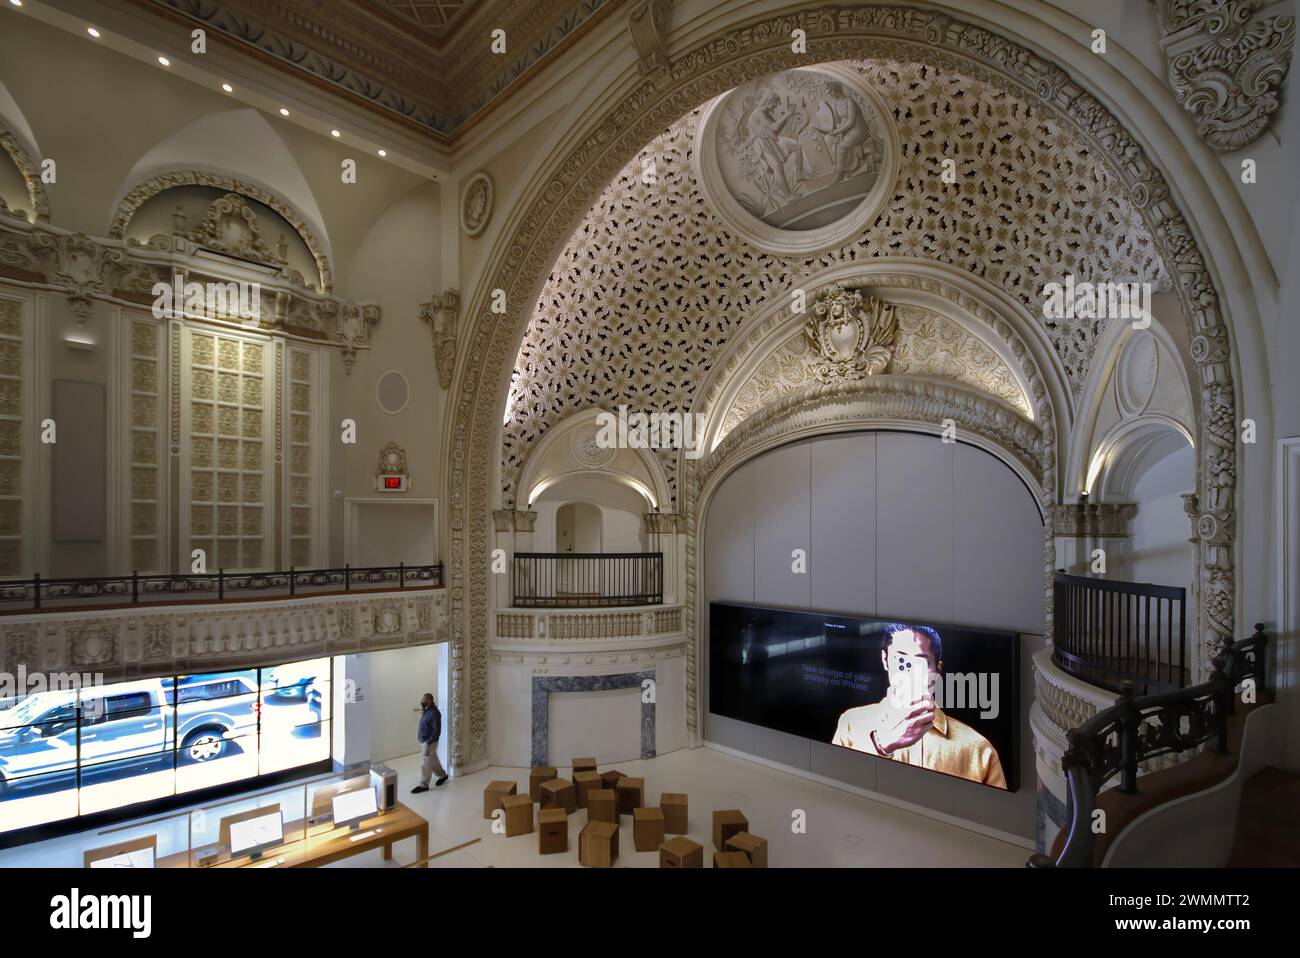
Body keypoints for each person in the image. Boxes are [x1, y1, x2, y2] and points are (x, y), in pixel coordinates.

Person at [831, 624, 1007, 788]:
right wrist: (881, 744)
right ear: (885, 660)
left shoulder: (979, 749)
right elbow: (834, 790)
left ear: (938, 669)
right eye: (900, 660)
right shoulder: (851, 724)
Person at [410, 692, 449, 793]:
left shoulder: (435, 713)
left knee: (425, 763)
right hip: (425, 741)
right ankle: (443, 775)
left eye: (424, 699)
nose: (422, 701)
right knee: (433, 760)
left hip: (429, 742)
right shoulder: (426, 711)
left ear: (430, 701)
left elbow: (436, 730)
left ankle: (423, 785)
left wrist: (428, 742)